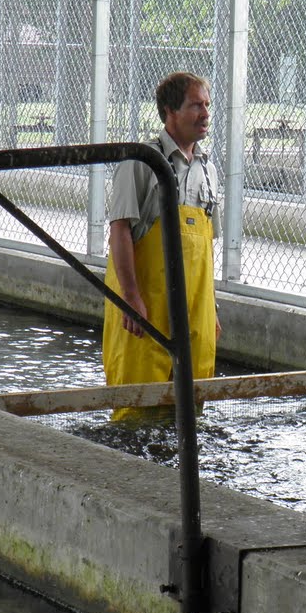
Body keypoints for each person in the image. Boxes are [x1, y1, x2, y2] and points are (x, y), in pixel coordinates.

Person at [102, 72, 221, 421]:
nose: (205, 114)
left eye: (207, 105)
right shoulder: (140, 162)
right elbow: (120, 230)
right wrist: (131, 298)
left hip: (194, 312)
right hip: (146, 311)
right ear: (169, 111)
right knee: (136, 411)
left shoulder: (208, 169)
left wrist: (211, 307)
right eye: (195, 105)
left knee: (191, 409)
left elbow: (207, 245)